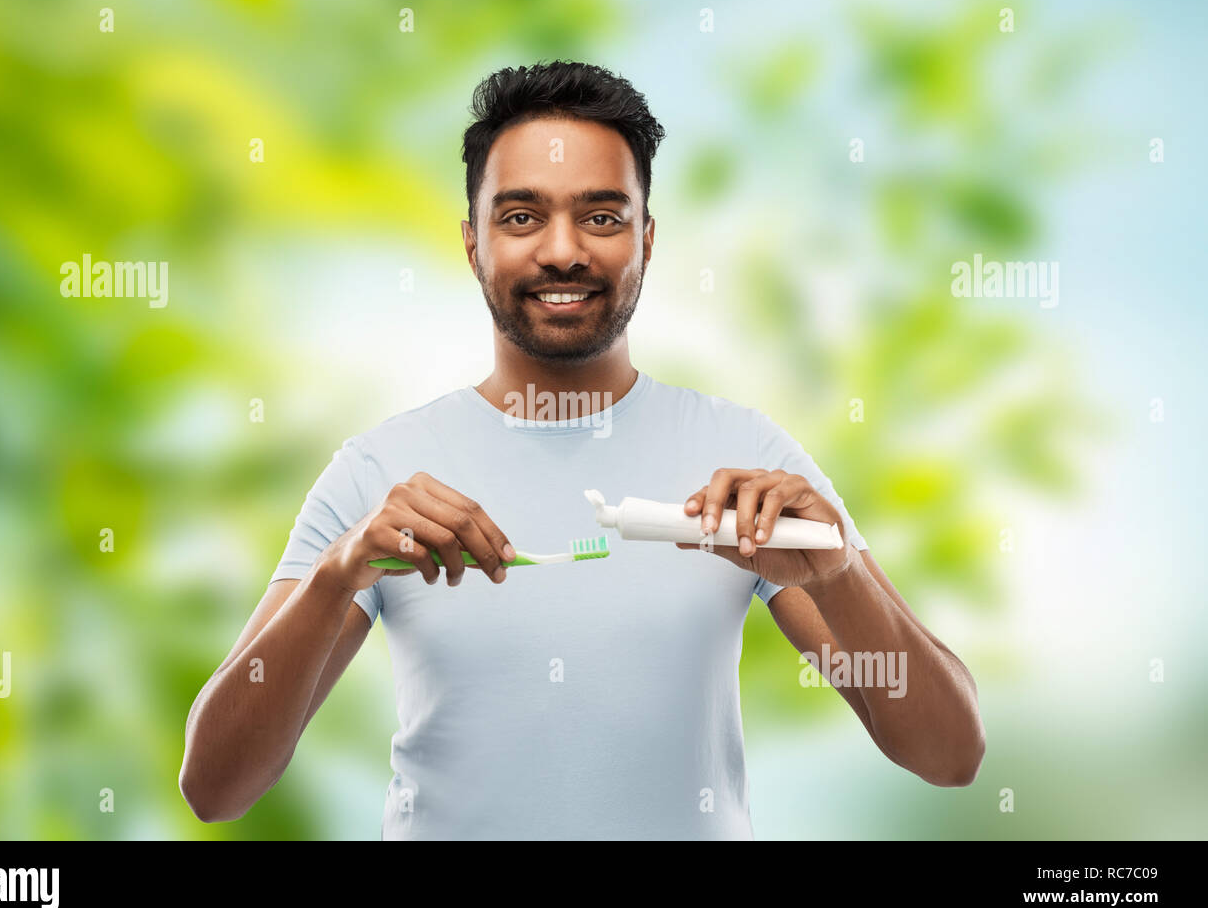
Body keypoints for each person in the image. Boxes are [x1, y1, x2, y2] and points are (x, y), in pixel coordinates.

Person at [179, 60, 985, 839]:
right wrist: (338, 574)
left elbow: (951, 755)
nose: (563, 251)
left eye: (601, 217)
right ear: (472, 243)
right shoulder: (377, 474)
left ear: (647, 237)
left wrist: (838, 572)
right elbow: (216, 788)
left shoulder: (747, 460)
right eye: (521, 216)